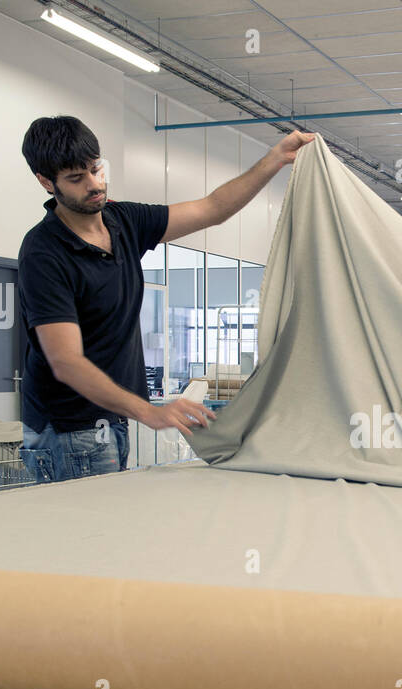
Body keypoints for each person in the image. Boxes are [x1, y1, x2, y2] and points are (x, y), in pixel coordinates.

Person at [16, 115, 314, 482]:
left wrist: (276, 158)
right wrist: (149, 411)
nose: (94, 185)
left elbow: (213, 208)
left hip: (110, 417)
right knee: (92, 531)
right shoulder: (44, 253)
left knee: (102, 528)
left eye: (96, 169)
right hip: (68, 428)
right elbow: (66, 362)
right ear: (47, 182)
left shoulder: (123, 221)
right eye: (76, 179)